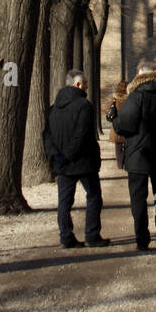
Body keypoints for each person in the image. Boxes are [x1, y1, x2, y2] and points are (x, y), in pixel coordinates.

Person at [110, 63, 156, 251]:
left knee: (138, 198)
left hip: (138, 157)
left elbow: (124, 126)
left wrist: (114, 120)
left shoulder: (136, 98)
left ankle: (142, 237)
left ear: (141, 76)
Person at [43, 69, 110, 250]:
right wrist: (69, 155)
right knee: (94, 197)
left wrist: (57, 155)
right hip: (83, 162)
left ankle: (66, 236)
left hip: (63, 164)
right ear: (77, 85)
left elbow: (47, 135)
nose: (87, 86)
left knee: (64, 202)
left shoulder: (53, 107)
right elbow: (82, 134)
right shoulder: (84, 105)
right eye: (85, 83)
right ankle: (92, 234)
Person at [108, 79, 129, 170]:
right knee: (128, 145)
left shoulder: (115, 99)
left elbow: (108, 109)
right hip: (128, 124)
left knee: (118, 146)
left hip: (116, 125)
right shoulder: (130, 99)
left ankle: (120, 164)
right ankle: (126, 163)